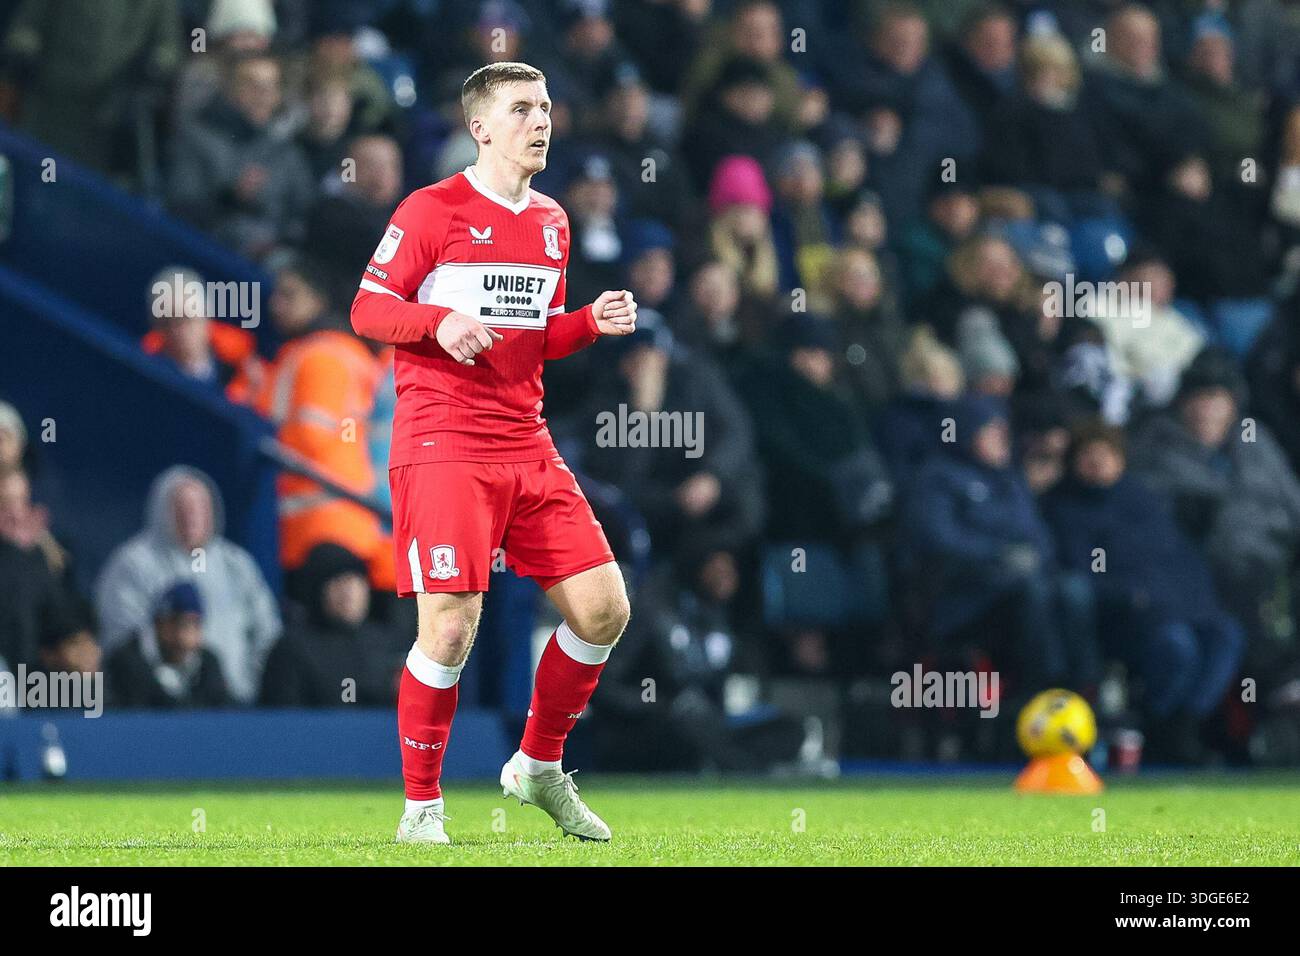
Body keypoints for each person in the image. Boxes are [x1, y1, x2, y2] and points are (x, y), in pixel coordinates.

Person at [350, 61, 638, 845]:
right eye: (521, 109)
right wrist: (436, 321)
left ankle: (538, 767)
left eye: (545, 106)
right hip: (443, 442)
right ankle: (421, 810)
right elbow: (368, 307)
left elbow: (532, 339)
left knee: (605, 608)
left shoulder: (552, 221)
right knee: (448, 629)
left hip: (526, 440)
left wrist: (587, 322)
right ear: (480, 126)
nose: (539, 121)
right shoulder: (431, 208)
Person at [1044, 421, 1244, 762]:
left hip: (1172, 605)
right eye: (1088, 456)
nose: (1098, 463)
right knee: (1176, 647)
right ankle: (1160, 725)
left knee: (1226, 635)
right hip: (1121, 618)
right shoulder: (1063, 508)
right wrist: (1134, 597)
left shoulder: (1143, 500)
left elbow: (1178, 559)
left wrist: (1193, 602)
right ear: (1074, 462)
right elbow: (1077, 576)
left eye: (1105, 455)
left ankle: (1186, 724)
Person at [93, 465, 281, 704]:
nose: (191, 516)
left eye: (200, 507)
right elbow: (123, 638)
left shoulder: (236, 564)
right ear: (161, 509)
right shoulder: (132, 564)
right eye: (181, 507)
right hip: (155, 707)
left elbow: (267, 632)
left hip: (234, 703)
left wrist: (248, 686)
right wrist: (167, 689)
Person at [260, 544, 399, 708]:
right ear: (317, 590)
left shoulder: (388, 643)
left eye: (355, 581)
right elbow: (282, 720)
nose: (349, 593)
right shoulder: (292, 649)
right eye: (337, 582)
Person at [106, 581, 231, 709]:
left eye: (194, 625)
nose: (184, 637)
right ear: (158, 624)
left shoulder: (208, 662)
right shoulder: (125, 661)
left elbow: (225, 711)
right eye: (177, 624)